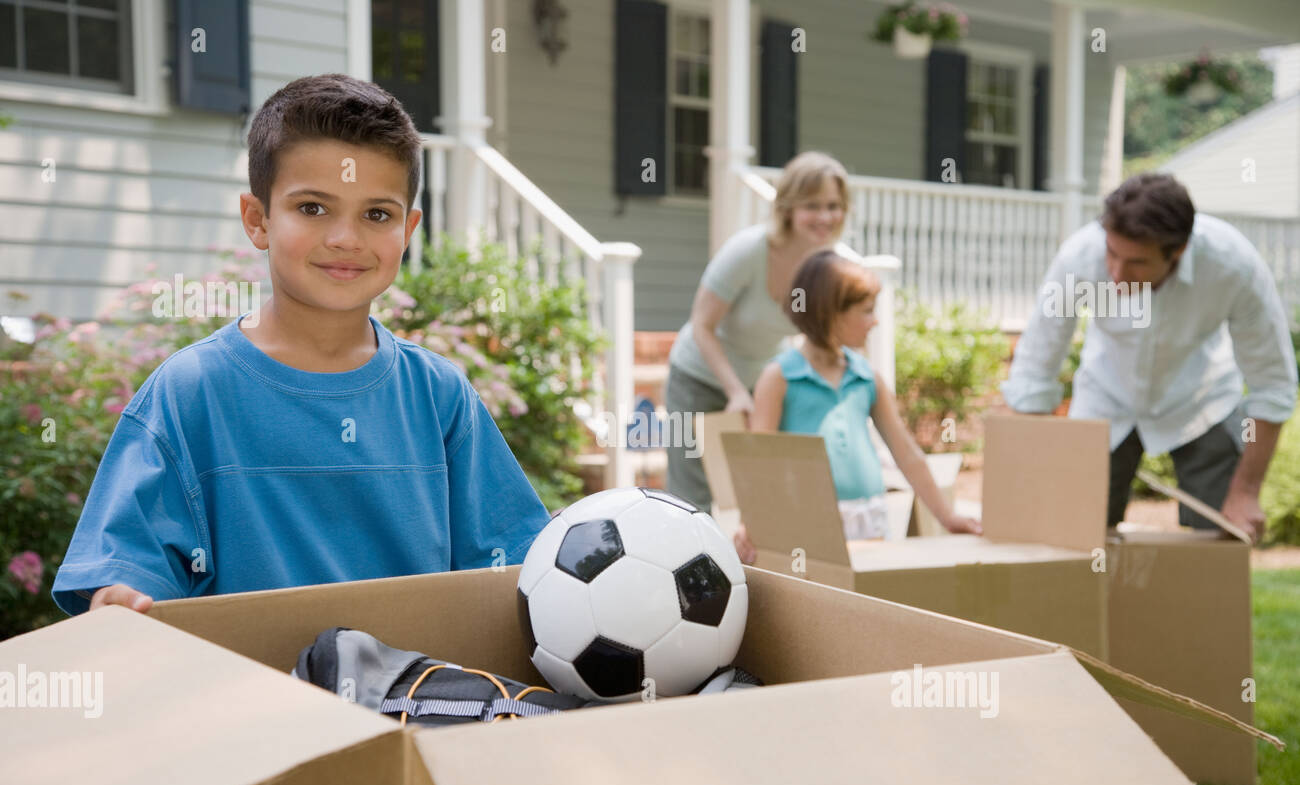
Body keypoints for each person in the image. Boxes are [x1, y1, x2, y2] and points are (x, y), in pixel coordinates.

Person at [50, 74, 550, 616]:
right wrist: (118, 598)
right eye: (313, 208)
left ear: (407, 231)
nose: (345, 239)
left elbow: (517, 573)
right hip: (252, 695)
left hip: (420, 698)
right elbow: (130, 577)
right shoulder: (192, 393)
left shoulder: (439, 395)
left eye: (376, 214)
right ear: (257, 219)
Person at [1002, 173, 1297, 542]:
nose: (1117, 273)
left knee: (1223, 537)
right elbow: (1034, 371)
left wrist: (1246, 493)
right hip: (1104, 400)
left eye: (1137, 262)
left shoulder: (1234, 267)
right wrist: (1035, 474)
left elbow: (1273, 384)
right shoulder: (1079, 257)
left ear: (1179, 250)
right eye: (1112, 254)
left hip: (1201, 402)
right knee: (1075, 534)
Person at [733, 250, 982, 563]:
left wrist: (947, 517)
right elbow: (759, 460)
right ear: (830, 313)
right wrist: (750, 522)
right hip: (807, 522)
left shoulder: (867, 377)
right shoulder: (780, 377)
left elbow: (906, 453)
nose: (875, 321)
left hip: (869, 519)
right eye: (866, 311)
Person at [665, 151, 851, 513]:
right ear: (788, 207)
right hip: (698, 377)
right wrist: (735, 391)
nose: (825, 217)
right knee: (691, 498)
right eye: (813, 205)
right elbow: (702, 325)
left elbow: (816, 333)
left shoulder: (824, 264)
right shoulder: (750, 251)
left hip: (761, 380)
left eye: (834, 205)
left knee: (765, 485)